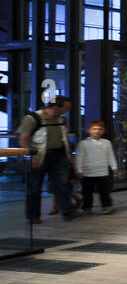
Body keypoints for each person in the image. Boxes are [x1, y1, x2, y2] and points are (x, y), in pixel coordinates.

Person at [20, 95, 78, 223]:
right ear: (56, 106)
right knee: (34, 187)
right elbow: (24, 138)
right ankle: (33, 216)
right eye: (66, 107)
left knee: (62, 184)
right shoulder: (33, 118)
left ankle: (68, 211)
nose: (68, 110)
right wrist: (30, 155)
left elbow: (65, 137)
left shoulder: (62, 119)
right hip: (39, 155)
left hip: (59, 155)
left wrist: (70, 155)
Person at [76, 120, 117, 215]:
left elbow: (110, 155)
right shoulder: (83, 143)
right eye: (94, 129)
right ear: (89, 130)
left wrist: (114, 166)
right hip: (87, 172)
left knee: (104, 191)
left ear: (103, 131)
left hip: (102, 172)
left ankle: (107, 206)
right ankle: (87, 207)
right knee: (87, 192)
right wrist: (79, 170)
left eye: (100, 129)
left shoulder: (107, 143)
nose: (97, 131)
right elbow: (79, 158)